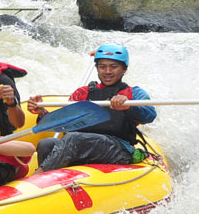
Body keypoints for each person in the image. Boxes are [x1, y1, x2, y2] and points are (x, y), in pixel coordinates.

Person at [25, 44, 156, 172]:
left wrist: (128, 106)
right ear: (97, 68)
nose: (108, 72)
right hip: (83, 145)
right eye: (102, 67)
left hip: (118, 148)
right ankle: (49, 185)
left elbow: (150, 115)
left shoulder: (134, 93)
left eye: (114, 67)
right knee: (46, 144)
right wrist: (42, 112)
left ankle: (39, 175)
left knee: (74, 139)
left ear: (124, 69)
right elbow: (65, 123)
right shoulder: (82, 93)